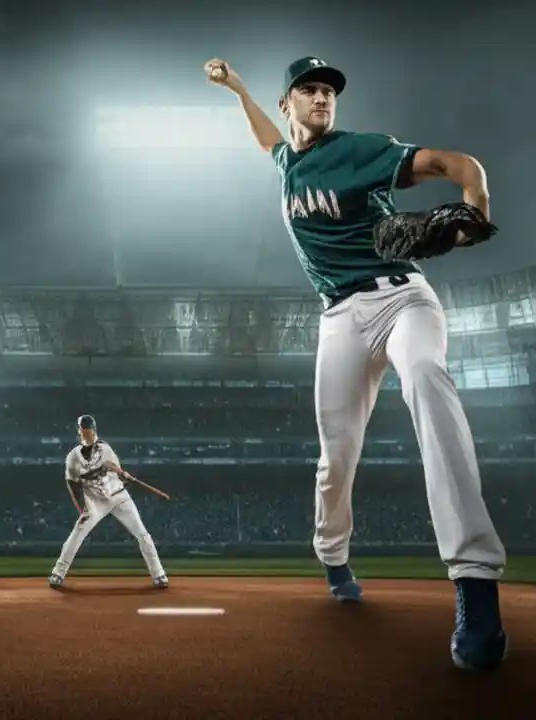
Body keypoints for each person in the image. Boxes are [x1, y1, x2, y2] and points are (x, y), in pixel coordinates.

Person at [205, 56, 509, 670]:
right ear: (289, 103)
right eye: (308, 91)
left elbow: (461, 166)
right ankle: (333, 556)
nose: (322, 99)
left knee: (426, 377)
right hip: (340, 318)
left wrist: (470, 216)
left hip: (402, 297)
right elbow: (266, 136)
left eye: (328, 92)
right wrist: (237, 86)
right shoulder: (288, 161)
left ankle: (476, 583)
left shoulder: (361, 150)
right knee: (335, 456)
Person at [48, 414, 168, 590]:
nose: (88, 431)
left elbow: (117, 471)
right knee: (77, 533)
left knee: (143, 534)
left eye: (90, 428)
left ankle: (159, 575)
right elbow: (72, 483)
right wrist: (81, 508)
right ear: (79, 431)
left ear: (94, 430)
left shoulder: (105, 449)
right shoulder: (73, 457)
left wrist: (123, 474)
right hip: (94, 501)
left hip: (118, 496)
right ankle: (58, 574)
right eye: (84, 428)